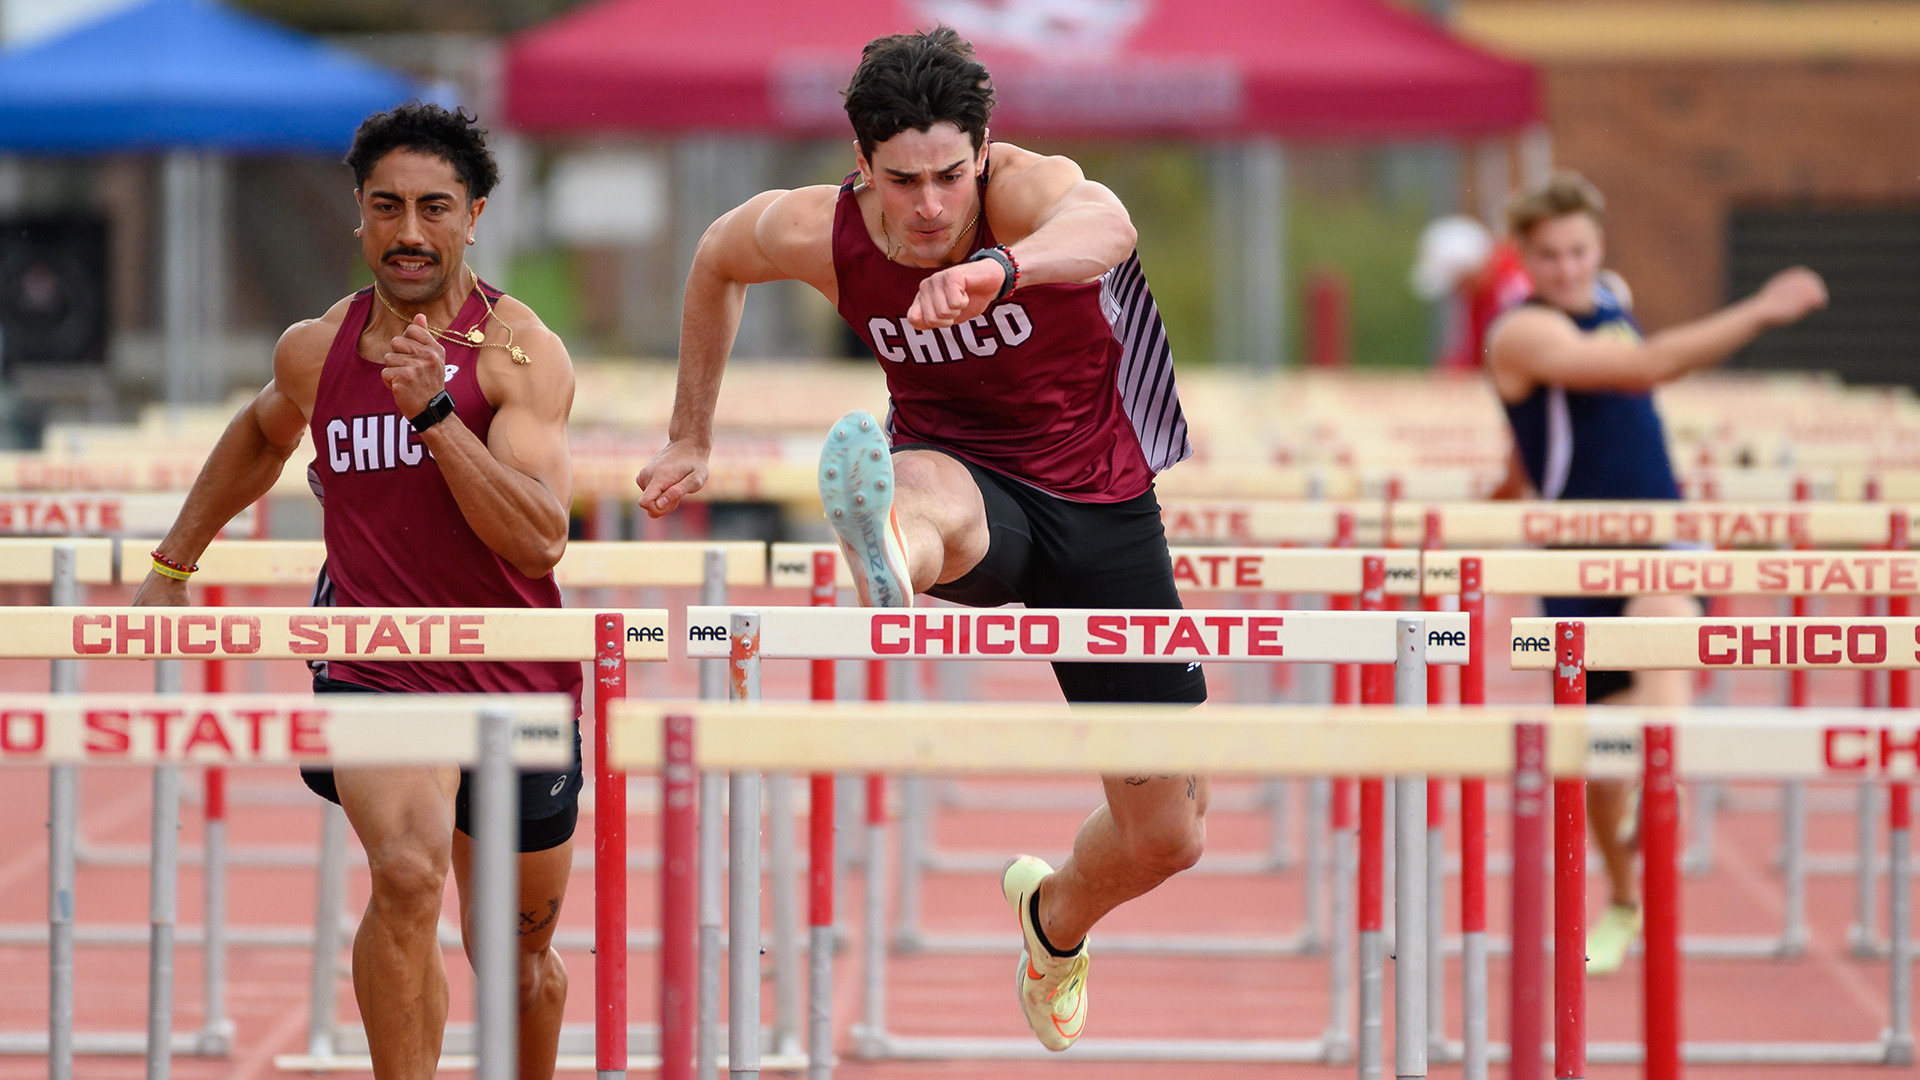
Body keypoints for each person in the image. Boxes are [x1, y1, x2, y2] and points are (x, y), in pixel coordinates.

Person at [636, 26, 1205, 1051]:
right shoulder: (821, 232)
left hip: (1102, 501)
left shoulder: (1024, 193)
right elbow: (717, 258)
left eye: (950, 174)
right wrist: (690, 434)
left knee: (1169, 838)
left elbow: (1108, 222)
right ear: (862, 168)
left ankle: (1053, 922)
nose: (932, 205)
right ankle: (887, 554)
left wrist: (1004, 270)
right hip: (963, 480)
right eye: (904, 182)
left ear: (983, 153)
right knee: (921, 490)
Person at [133, 102, 580, 1079]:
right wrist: (174, 561)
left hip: (515, 671)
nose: (410, 233)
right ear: (359, 215)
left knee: (520, 961)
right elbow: (261, 432)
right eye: (388, 207)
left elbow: (541, 539)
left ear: (475, 216)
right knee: (410, 876)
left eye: (434, 208)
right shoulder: (318, 348)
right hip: (378, 661)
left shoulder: (517, 355)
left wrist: (433, 414)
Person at [1486, 171, 1826, 974]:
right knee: (1599, 761)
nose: (1568, 269)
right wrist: (1759, 309)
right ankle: (1625, 892)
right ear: (1526, 259)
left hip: (1663, 538)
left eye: (1579, 251)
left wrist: (1506, 481)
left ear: (1598, 246)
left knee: (1657, 660)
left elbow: (1575, 418)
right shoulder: (1520, 335)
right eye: (1550, 256)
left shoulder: (1614, 293)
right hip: (1576, 557)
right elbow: (1637, 373)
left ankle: (1656, 776)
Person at [1410, 213, 1532, 371]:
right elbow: (1463, 356)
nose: (1456, 290)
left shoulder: (1515, 288)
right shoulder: (1475, 295)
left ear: (1471, 271)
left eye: (1458, 282)